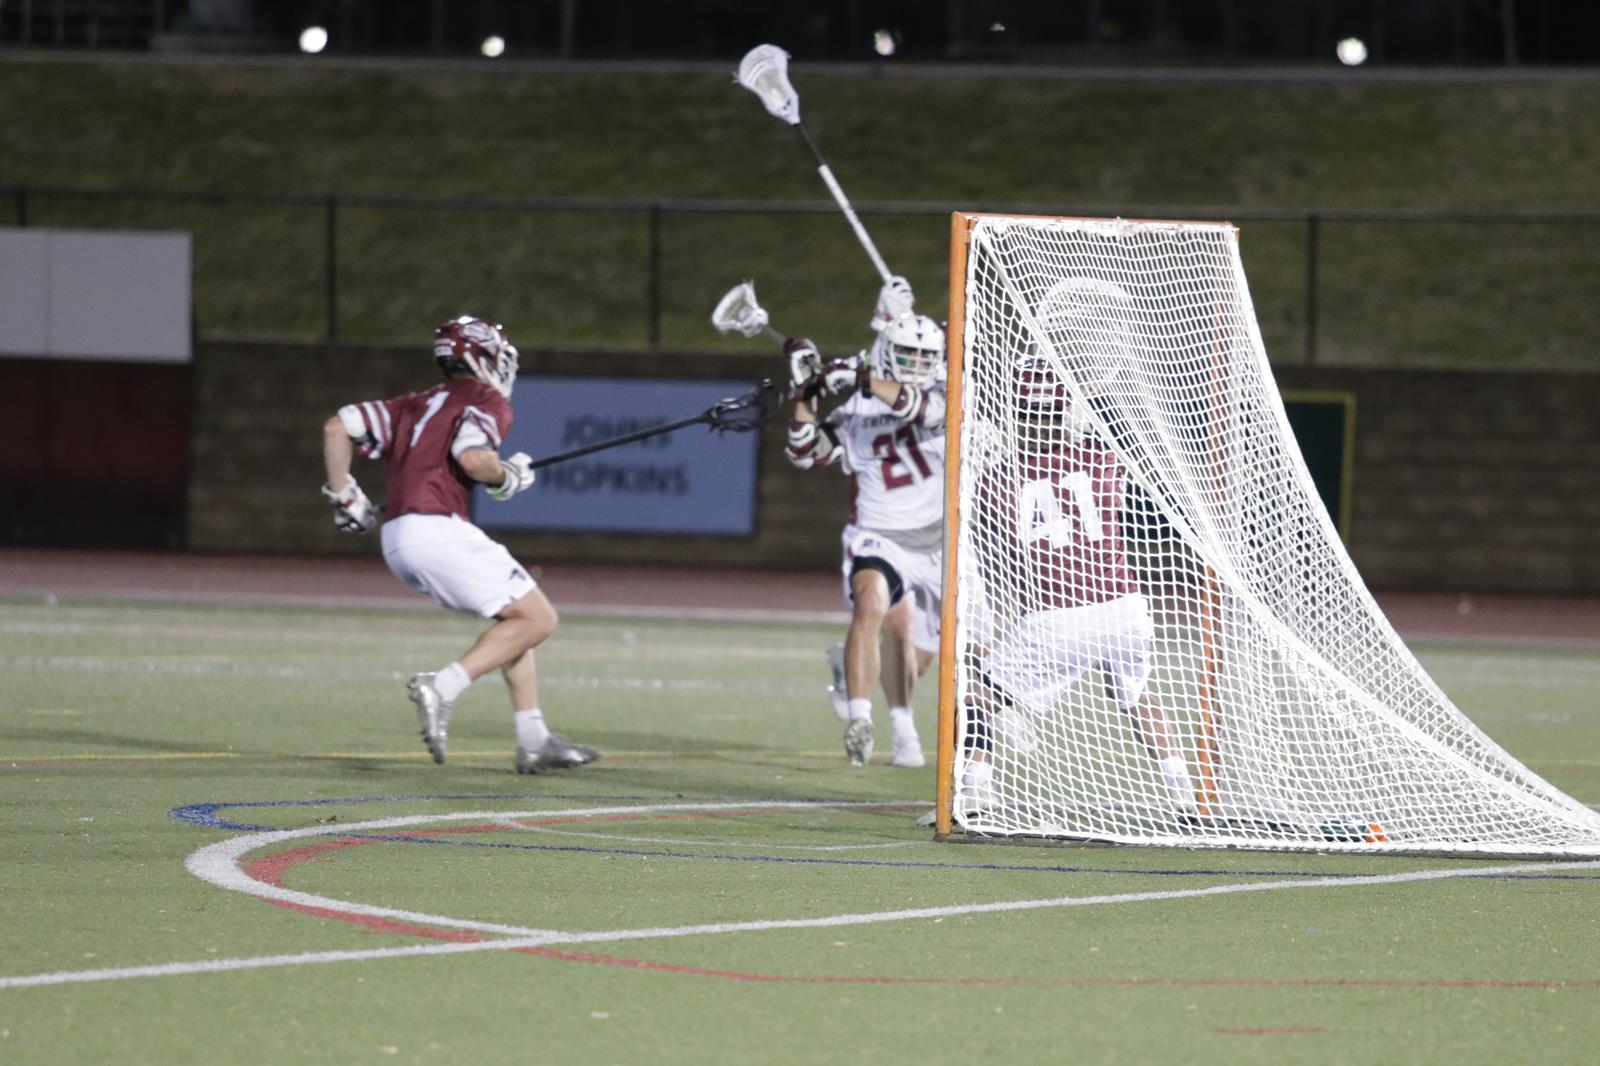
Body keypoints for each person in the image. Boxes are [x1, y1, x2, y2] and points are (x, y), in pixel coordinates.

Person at [319, 314, 600, 775]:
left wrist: (345, 494)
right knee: (539, 618)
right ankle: (444, 686)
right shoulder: (485, 398)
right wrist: (505, 474)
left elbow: (338, 427)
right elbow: (473, 457)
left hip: (397, 540)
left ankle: (534, 738)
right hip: (437, 528)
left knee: (515, 617)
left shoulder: (414, 403)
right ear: (480, 354)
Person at [960, 278, 1194, 817]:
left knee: (976, 690)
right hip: (1129, 610)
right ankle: (1182, 787)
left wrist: (977, 453)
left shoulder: (998, 475)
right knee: (1137, 696)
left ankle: (977, 783)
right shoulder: (1103, 460)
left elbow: (985, 516)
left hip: (1059, 619)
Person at [784, 278, 946, 768]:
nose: (918, 365)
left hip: (942, 541)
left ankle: (853, 673)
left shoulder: (949, 390)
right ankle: (875, 723)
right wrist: (806, 392)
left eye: (925, 357)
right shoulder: (858, 406)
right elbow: (804, 452)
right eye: (907, 355)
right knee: (881, 613)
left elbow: (922, 410)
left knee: (921, 656)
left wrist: (861, 370)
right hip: (880, 535)